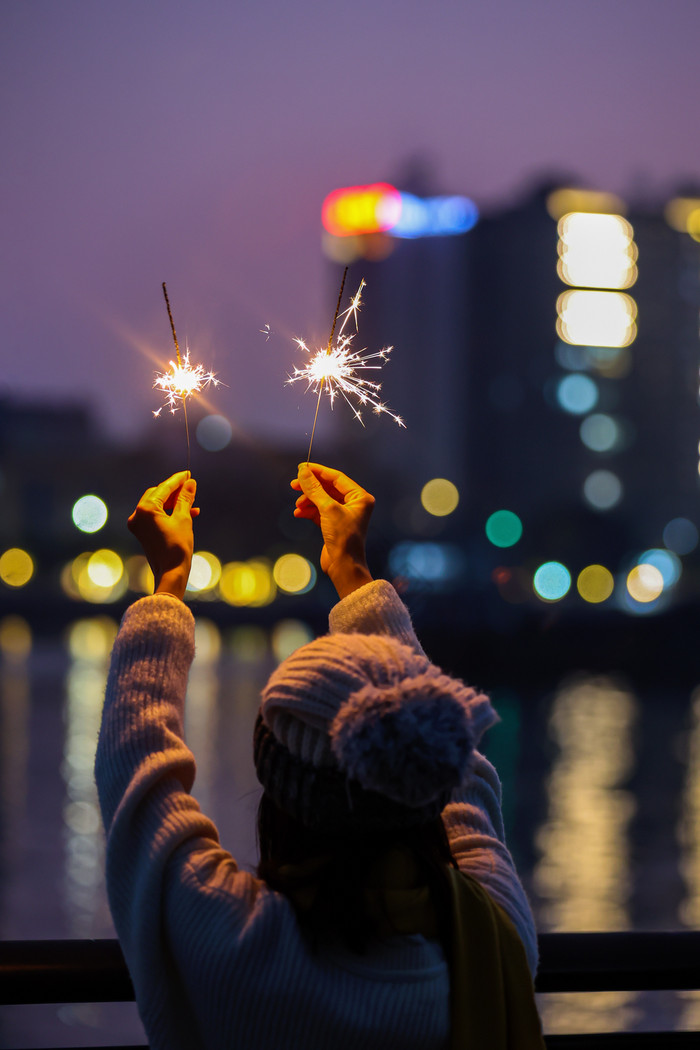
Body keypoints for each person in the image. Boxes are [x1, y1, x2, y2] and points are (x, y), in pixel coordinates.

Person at [95, 463, 544, 1050]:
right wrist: (354, 571)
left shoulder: (228, 935)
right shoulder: (492, 929)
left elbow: (137, 770)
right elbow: (452, 768)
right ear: (427, 773)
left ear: (281, 789)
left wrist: (170, 582)